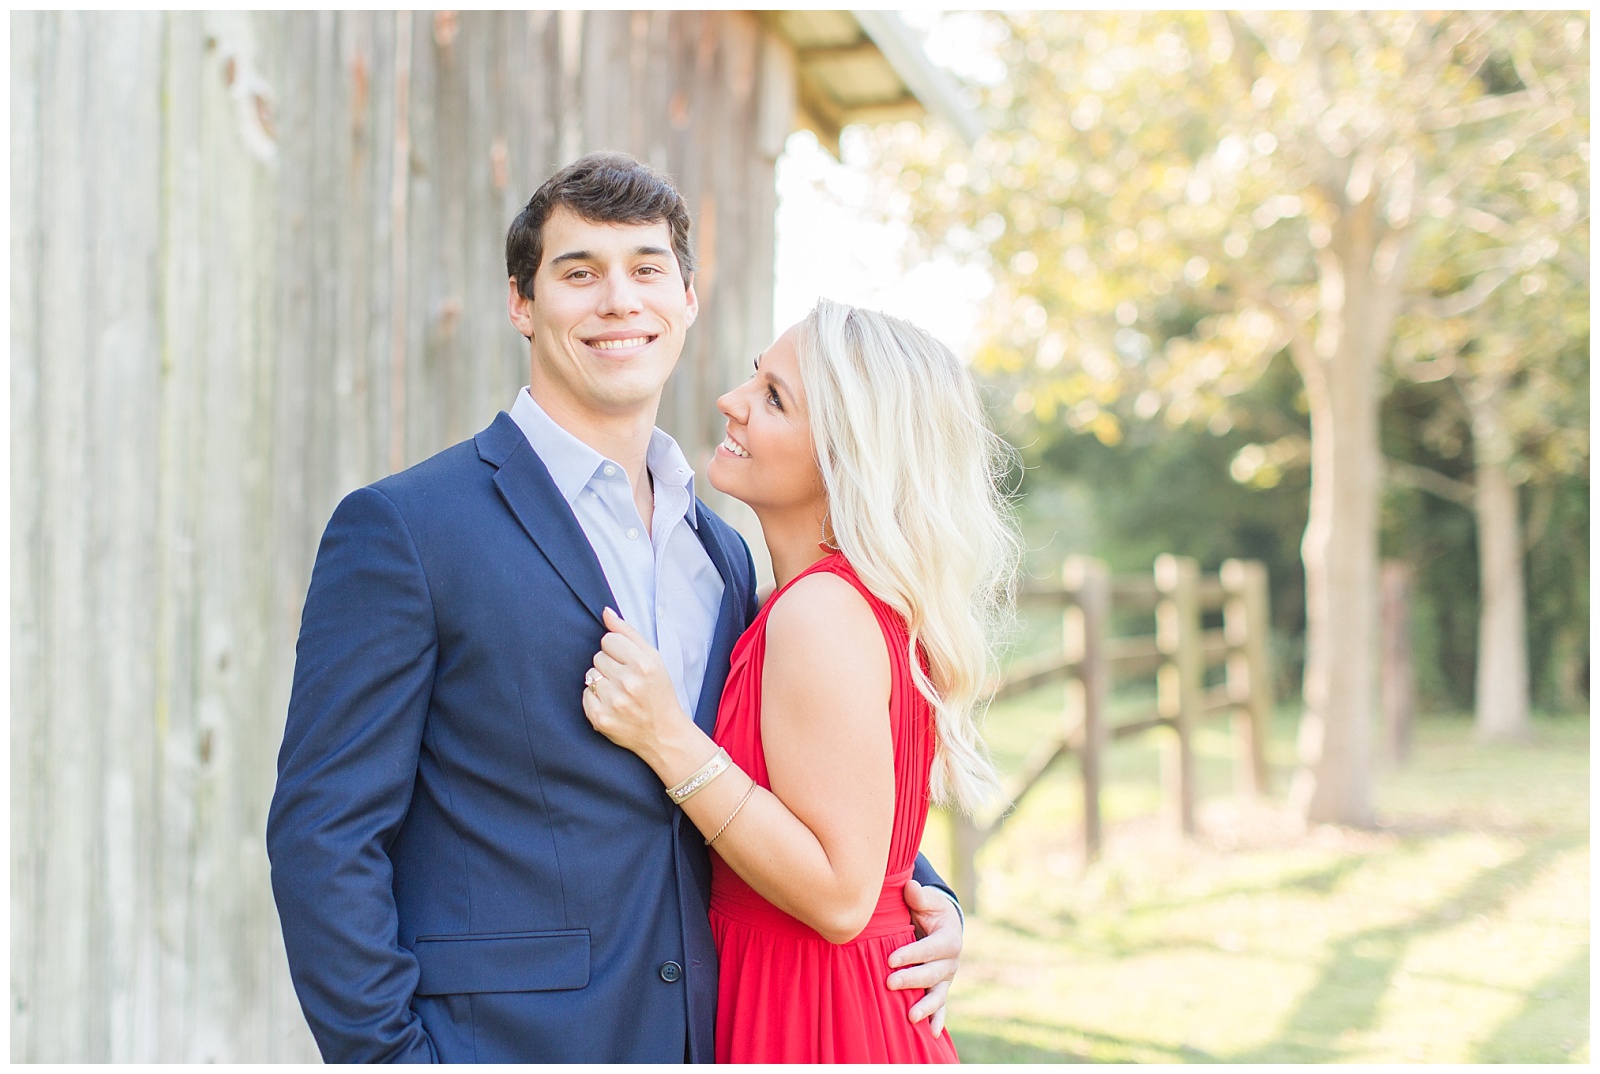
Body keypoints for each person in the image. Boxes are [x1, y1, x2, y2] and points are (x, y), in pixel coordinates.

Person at [265, 153, 964, 1063]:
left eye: (645, 269)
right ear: (522, 303)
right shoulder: (406, 530)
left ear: (685, 299)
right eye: (578, 272)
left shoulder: (723, 547)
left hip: (722, 1033)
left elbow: (792, 762)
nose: (617, 301)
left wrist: (919, 892)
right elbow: (324, 835)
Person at [582, 298, 1017, 1062]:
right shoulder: (813, 601)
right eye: (756, 378)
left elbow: (843, 896)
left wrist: (666, 739)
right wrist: (932, 896)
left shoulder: (821, 612)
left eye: (773, 398)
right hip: (816, 990)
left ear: (846, 458)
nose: (732, 403)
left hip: (817, 1009)